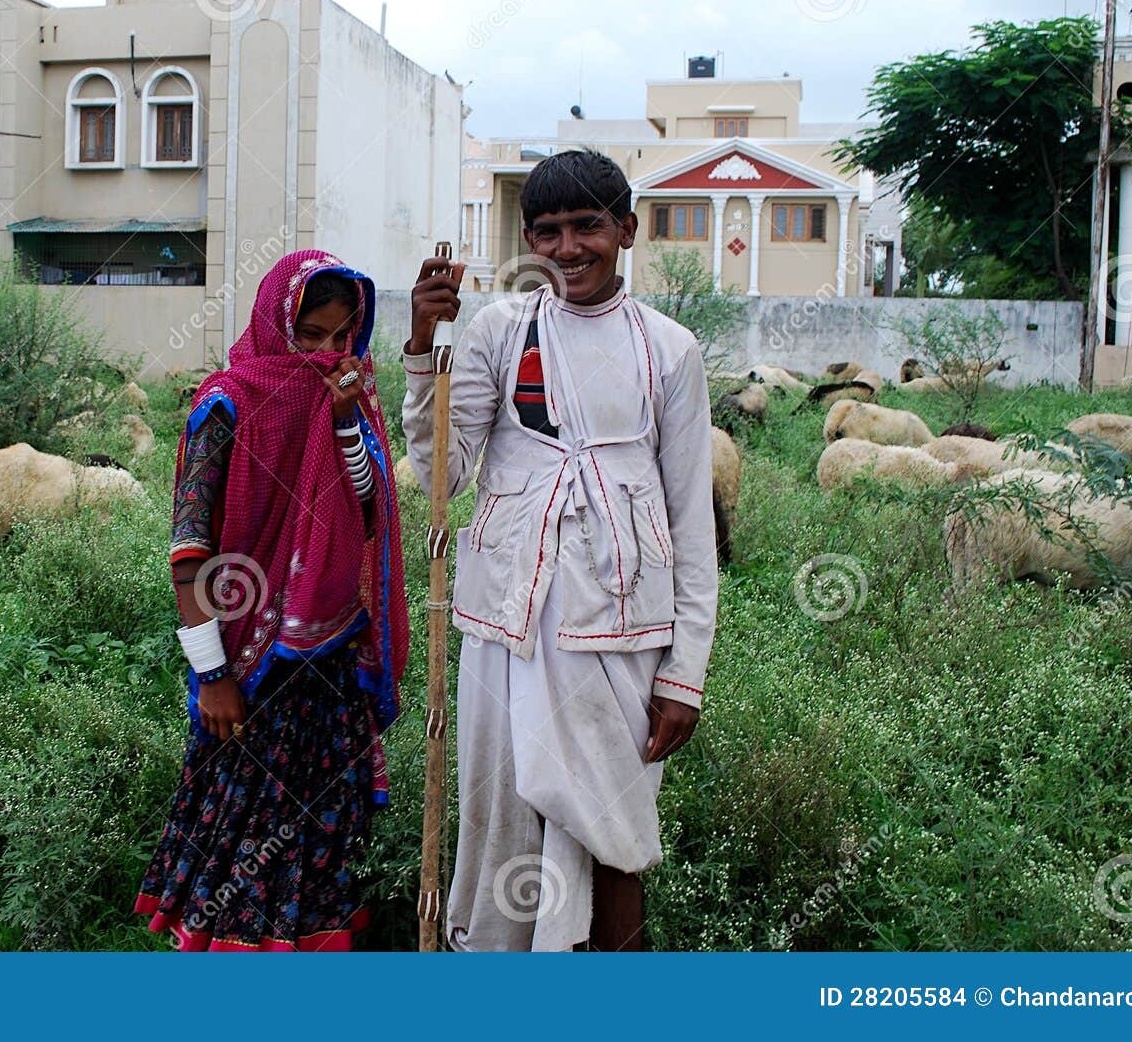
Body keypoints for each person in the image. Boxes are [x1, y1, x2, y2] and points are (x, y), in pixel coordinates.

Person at [401, 149, 717, 951]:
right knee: (503, 812)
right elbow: (441, 473)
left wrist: (685, 673)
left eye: (589, 227)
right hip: (506, 620)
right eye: (548, 232)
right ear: (529, 241)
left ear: (628, 230)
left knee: (614, 827)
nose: (569, 248)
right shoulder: (501, 332)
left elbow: (691, 518)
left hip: (619, 628)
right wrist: (420, 345)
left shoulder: (669, 348)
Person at [134, 248, 410, 951]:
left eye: (339, 337)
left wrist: (345, 424)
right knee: (244, 842)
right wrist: (214, 676)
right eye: (309, 335)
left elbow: (371, 513)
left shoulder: (351, 404)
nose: (324, 353)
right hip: (250, 679)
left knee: (323, 842)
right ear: (277, 325)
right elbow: (189, 551)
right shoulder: (226, 404)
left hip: (329, 675)